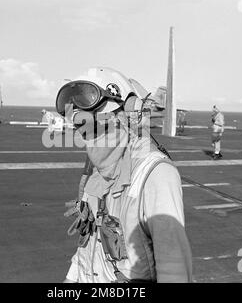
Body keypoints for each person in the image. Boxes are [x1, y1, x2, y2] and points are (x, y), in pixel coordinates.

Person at [59, 67, 192, 283]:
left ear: (126, 113)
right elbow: (87, 247)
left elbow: (174, 267)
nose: (89, 140)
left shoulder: (155, 173)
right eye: (83, 131)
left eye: (95, 127)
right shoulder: (96, 171)